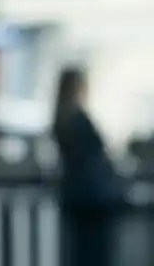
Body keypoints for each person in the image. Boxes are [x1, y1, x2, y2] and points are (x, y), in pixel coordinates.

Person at [52, 67, 126, 266]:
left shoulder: (60, 119)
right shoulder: (79, 119)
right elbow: (98, 153)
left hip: (75, 196)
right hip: (94, 198)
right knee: (97, 253)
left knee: (80, 252)